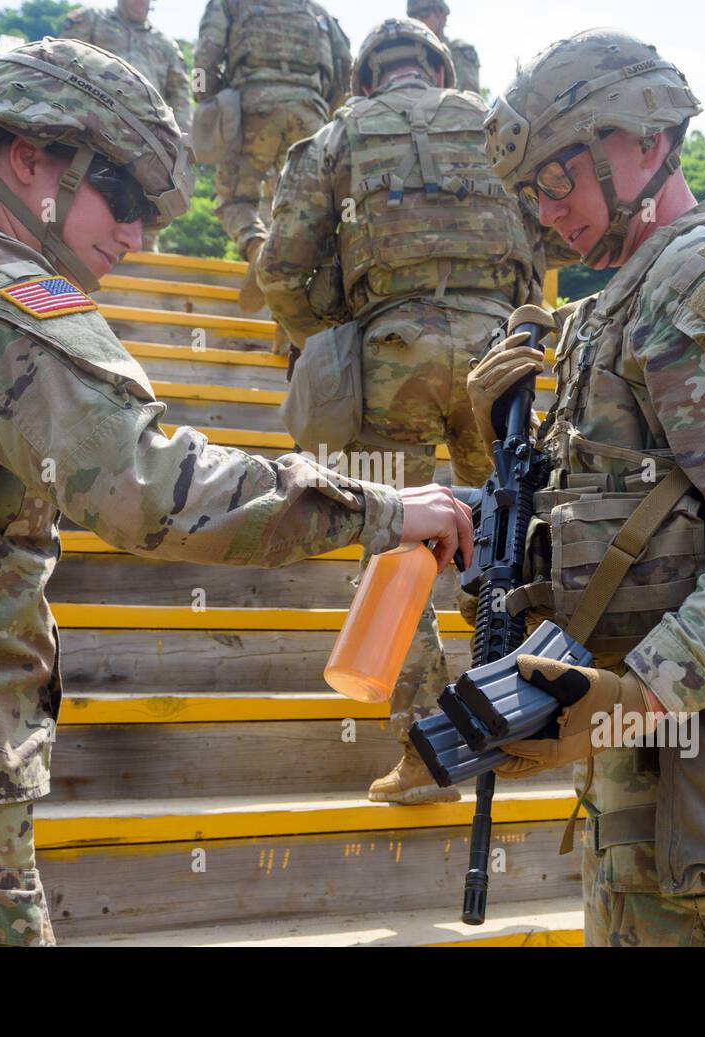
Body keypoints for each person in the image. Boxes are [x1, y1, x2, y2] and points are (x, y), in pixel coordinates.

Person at [0, 38, 471, 947]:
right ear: (33, 157)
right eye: (127, 196)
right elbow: (146, 487)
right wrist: (381, 508)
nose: (141, 234)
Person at [469, 29, 705, 946]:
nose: (545, 211)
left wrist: (633, 697)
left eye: (556, 180)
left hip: (702, 772)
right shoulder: (620, 298)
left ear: (638, 140)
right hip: (639, 779)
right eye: (531, 194)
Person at [256, 19, 537, 804]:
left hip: (390, 357)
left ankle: (428, 755)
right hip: (499, 356)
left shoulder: (337, 135)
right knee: (509, 537)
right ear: (439, 68)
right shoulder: (490, 124)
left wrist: (336, 334)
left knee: (394, 543)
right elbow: (541, 244)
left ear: (364, 78)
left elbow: (280, 267)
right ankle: (522, 717)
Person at [193, 0, 353, 312]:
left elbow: (204, 57)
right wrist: (328, 113)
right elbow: (346, 68)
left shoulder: (230, 3)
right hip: (311, 114)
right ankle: (295, 315)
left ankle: (257, 249)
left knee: (235, 200)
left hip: (253, 106)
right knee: (312, 213)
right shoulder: (318, 11)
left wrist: (208, 98)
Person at [59, 0, 190, 253]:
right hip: (90, 137)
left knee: (143, 220)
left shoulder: (166, 45)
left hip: (147, 147)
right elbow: (61, 66)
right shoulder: (90, 21)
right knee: (79, 207)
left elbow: (181, 98)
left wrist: (179, 148)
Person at [407, 0, 479, 94]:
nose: (418, 20)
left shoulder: (458, 50)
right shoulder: (408, 53)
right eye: (413, 17)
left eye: (424, 14)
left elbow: (467, 97)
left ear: (442, 16)